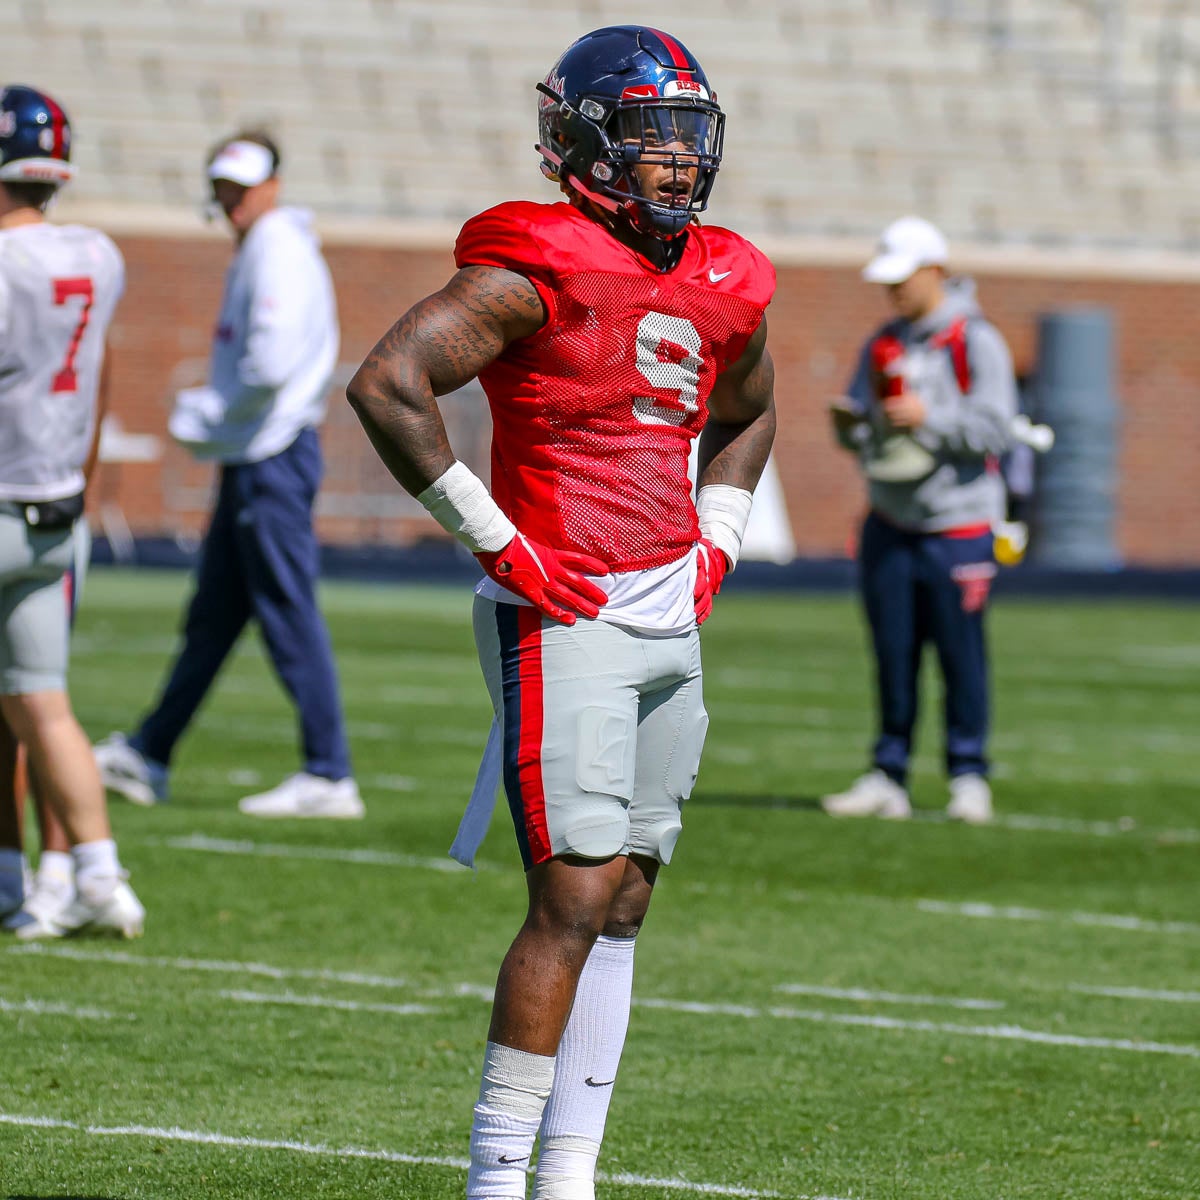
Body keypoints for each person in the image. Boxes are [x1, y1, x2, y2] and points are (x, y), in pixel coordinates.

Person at [347, 25, 775, 1198]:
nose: (679, 160)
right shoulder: (534, 259)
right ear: (581, 139)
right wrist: (497, 539)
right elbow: (389, 382)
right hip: (565, 604)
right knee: (574, 892)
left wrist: (720, 540)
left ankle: (569, 1174)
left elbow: (748, 408)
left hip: (666, 609)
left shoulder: (725, 273)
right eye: (650, 134)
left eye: (690, 135)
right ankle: (497, 1181)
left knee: (629, 896)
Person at [93, 130, 362, 819]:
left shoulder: (277, 248)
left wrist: (207, 413)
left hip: (270, 452)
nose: (232, 200)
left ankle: (329, 773)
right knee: (213, 615)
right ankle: (151, 749)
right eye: (225, 186)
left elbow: (268, 364)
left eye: (242, 186)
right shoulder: (265, 246)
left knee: (284, 609)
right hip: (256, 453)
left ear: (272, 184)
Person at [0, 83, 144, 938]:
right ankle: (101, 878)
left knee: (34, 705)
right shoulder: (99, 253)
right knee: (44, 704)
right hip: (57, 514)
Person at [823, 215, 1017, 824]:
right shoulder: (883, 340)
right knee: (892, 652)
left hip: (957, 525)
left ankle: (968, 775)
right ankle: (889, 773)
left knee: (962, 655)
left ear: (935, 270)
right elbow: (867, 420)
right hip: (889, 517)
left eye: (903, 278)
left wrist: (926, 417)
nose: (894, 291)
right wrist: (855, 426)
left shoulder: (975, 339)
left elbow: (996, 429)